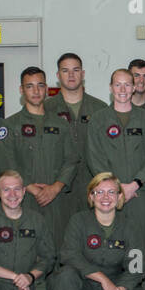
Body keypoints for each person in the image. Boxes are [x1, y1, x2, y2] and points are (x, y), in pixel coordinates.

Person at [52, 173, 145, 290]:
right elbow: (69, 254)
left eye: (111, 192)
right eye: (99, 192)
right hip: (84, 285)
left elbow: (135, 269)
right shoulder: (79, 221)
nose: (105, 197)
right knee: (64, 275)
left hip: (115, 286)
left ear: (120, 196)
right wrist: (102, 279)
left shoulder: (131, 226)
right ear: (91, 196)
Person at [0, 66, 79, 251]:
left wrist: (56, 187)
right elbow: (7, 163)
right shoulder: (10, 125)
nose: (35, 91)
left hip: (57, 200)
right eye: (30, 86)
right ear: (21, 90)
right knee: (25, 249)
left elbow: (72, 159)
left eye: (40, 85)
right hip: (23, 199)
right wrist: (31, 187)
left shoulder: (61, 124)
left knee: (58, 249)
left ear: (47, 89)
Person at [85, 69, 145, 241]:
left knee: (140, 241)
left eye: (127, 84)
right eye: (118, 85)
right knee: (109, 240)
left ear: (134, 88)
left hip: (140, 193)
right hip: (108, 196)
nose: (122, 89)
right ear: (111, 88)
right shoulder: (98, 119)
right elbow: (94, 157)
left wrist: (134, 185)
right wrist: (116, 189)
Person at [44, 52, 108, 215]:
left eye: (76, 70)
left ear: (83, 74)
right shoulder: (47, 109)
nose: (71, 75)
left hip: (93, 183)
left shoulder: (100, 108)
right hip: (58, 187)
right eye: (65, 71)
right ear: (58, 75)